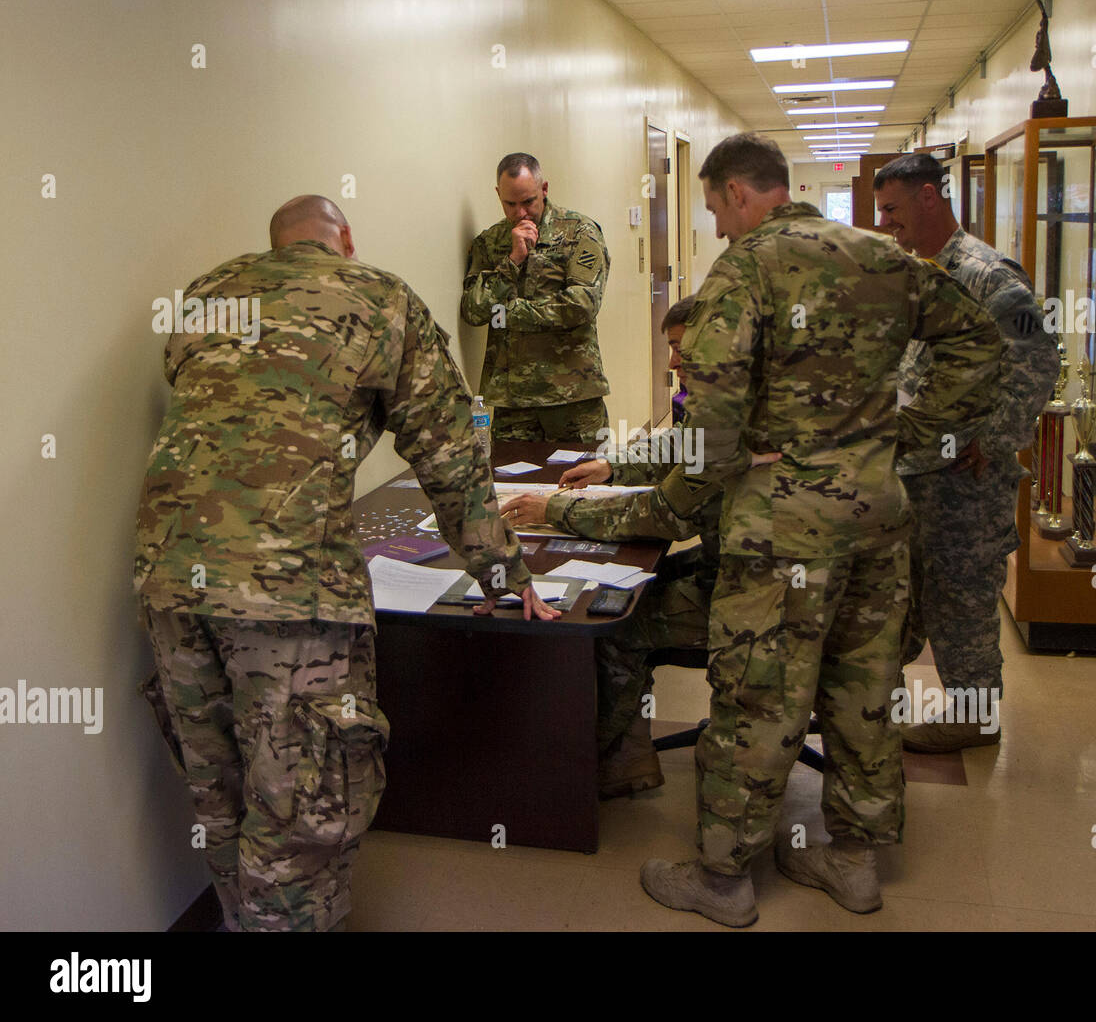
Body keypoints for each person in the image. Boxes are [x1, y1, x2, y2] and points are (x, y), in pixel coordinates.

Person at [134, 195, 557, 932]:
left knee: (219, 787)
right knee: (302, 801)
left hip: (168, 575)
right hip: (288, 588)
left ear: (273, 247)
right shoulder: (380, 297)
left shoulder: (205, 295)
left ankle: (243, 921)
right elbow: (450, 452)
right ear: (346, 242)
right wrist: (503, 575)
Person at [639, 133, 1003, 927]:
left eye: (714, 209)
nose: (720, 228)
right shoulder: (882, 256)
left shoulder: (746, 268)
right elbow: (980, 339)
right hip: (877, 515)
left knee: (759, 695)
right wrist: (907, 435)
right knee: (863, 689)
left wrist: (682, 497)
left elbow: (714, 419)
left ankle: (725, 878)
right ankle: (854, 863)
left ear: (739, 193)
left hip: (785, 530)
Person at [501, 297, 767, 799]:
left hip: (755, 595)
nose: (672, 363)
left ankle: (613, 763)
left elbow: (662, 514)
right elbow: (676, 446)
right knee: (640, 585)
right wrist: (612, 467)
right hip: (747, 564)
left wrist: (553, 511)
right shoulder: (732, 398)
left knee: (617, 620)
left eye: (681, 350)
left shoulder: (729, 423)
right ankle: (623, 752)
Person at [874, 153, 1059, 753]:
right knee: (907, 594)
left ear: (930, 197)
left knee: (961, 601)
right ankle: (879, 707)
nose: (887, 223)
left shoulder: (985, 274)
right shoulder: (916, 269)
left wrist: (993, 439)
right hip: (913, 471)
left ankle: (975, 717)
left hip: (964, 480)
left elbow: (1037, 361)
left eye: (894, 209)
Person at [460, 153, 611, 441]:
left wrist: (508, 313)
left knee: (584, 482)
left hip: (572, 396)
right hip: (511, 400)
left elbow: (581, 305)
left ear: (544, 190)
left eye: (528, 201)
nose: (521, 214)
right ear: (498, 195)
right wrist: (512, 261)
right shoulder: (490, 243)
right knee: (512, 484)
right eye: (510, 204)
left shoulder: (580, 232)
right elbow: (474, 310)